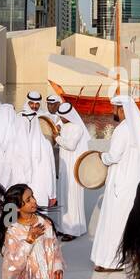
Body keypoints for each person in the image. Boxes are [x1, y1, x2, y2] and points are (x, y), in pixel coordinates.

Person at [90, 94, 140, 272]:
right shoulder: (135, 129)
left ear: (122, 109)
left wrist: (101, 156)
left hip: (120, 184)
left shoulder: (122, 130)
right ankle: (125, 258)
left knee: (114, 222)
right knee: (127, 221)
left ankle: (110, 261)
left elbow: (113, 156)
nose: (113, 111)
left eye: (115, 108)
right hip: (133, 182)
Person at [54, 102, 89, 239]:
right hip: (64, 167)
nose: (61, 119)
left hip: (73, 167)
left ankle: (74, 230)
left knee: (72, 197)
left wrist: (56, 136)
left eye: (62, 117)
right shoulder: (64, 125)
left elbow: (70, 145)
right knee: (63, 195)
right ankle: (62, 227)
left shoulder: (77, 128)